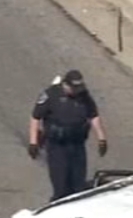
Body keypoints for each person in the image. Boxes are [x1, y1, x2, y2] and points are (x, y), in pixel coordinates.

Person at [29, 69, 108, 201]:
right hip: (57, 146)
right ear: (65, 84)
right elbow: (35, 117)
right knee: (61, 185)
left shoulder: (84, 96)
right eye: (74, 88)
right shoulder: (51, 95)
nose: (77, 92)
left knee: (78, 186)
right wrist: (33, 142)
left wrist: (101, 138)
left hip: (77, 144)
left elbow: (93, 115)